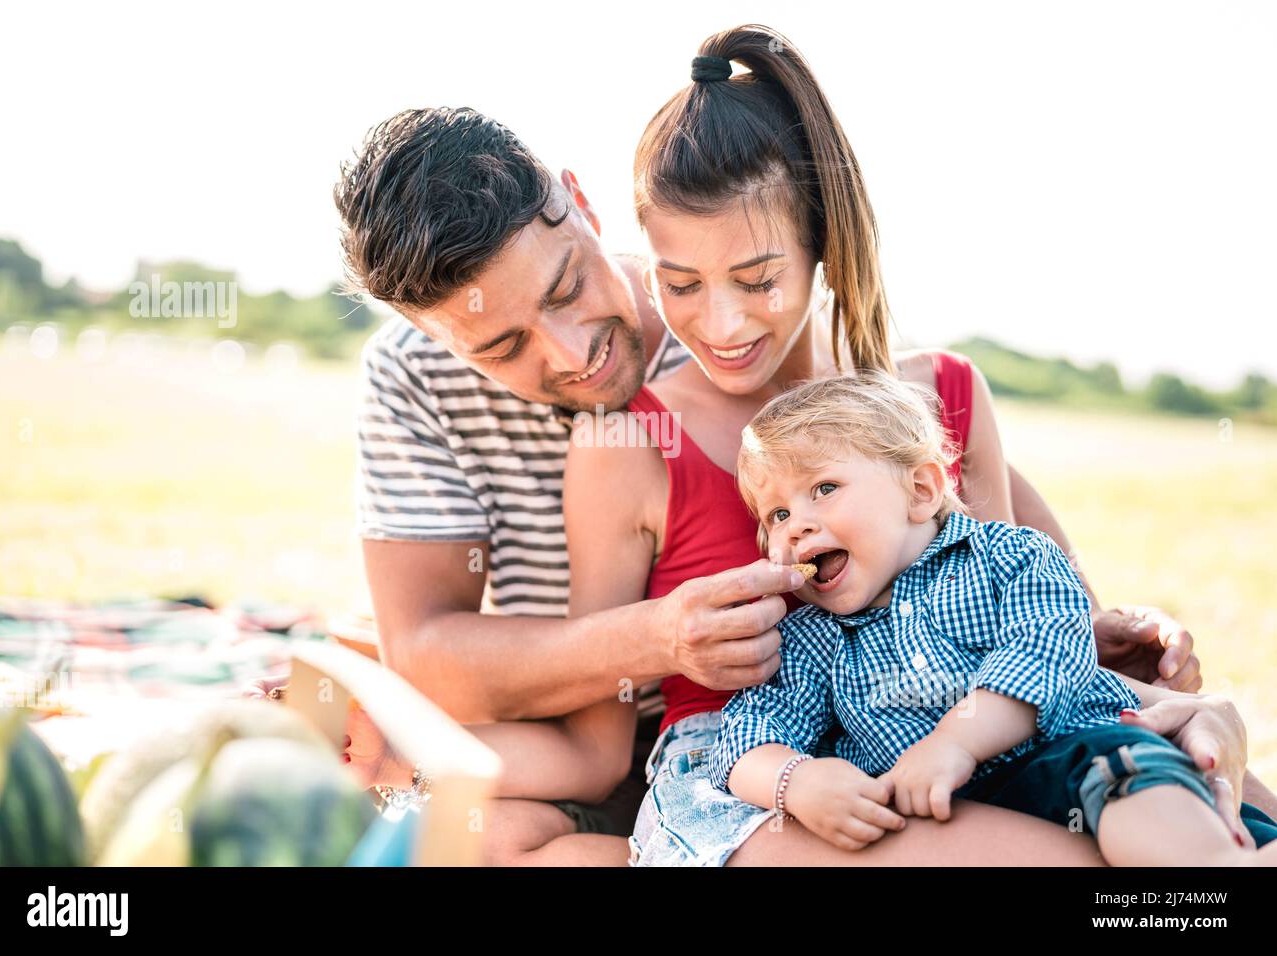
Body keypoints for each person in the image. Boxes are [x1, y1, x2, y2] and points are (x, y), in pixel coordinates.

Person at [353, 24, 1270, 866]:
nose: (572, 352)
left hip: (958, 749)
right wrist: (649, 647)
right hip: (735, 769)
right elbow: (448, 665)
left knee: (1186, 799)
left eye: (564, 293)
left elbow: (1027, 609)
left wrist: (1158, 698)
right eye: (502, 345)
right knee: (487, 837)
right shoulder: (608, 435)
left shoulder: (883, 382)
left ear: (581, 207)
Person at [709, 372, 1277, 866]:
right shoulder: (812, 639)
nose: (796, 527)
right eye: (777, 514)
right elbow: (745, 735)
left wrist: (954, 744)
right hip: (966, 819)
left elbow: (1046, 652)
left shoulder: (1011, 557)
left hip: (1075, 754)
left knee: (1127, 775)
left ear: (921, 489)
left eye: (824, 489)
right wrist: (795, 781)